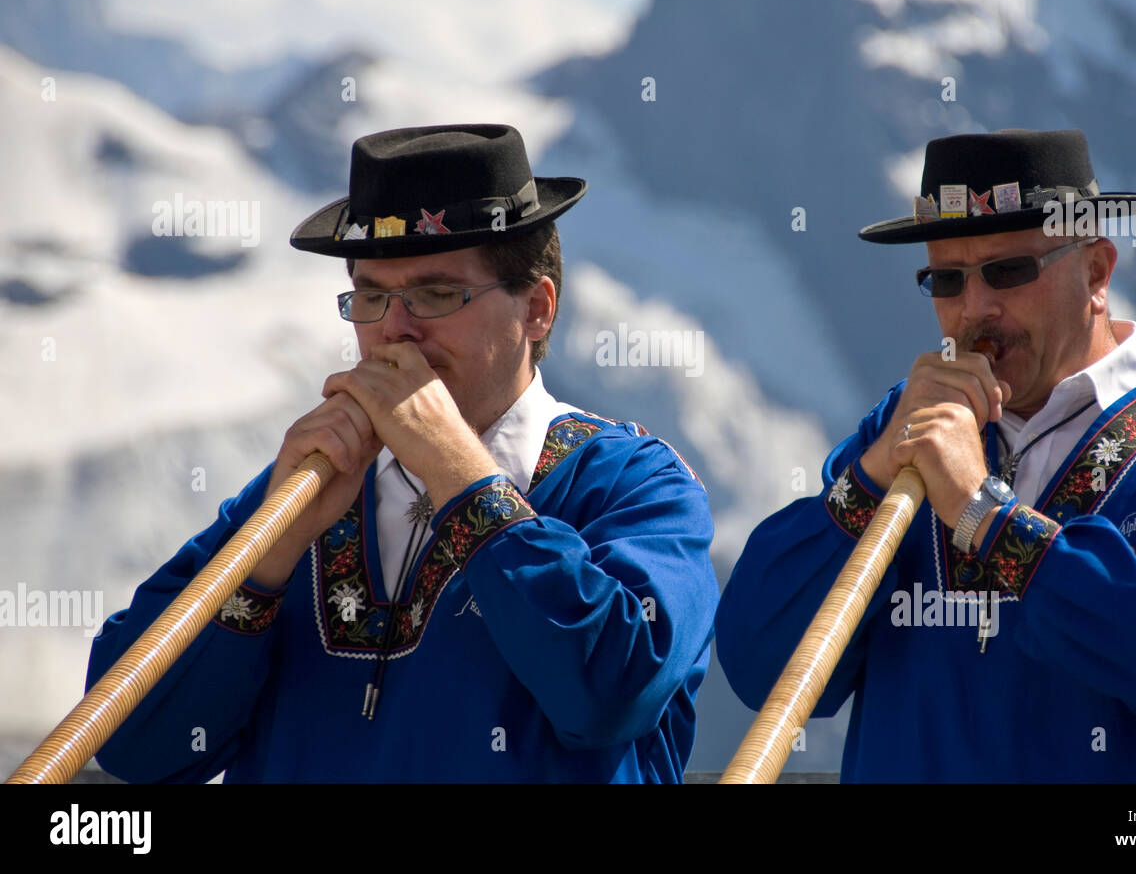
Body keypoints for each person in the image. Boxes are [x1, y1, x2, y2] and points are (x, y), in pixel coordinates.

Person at [88, 124, 718, 783]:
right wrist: (268, 561)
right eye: (370, 294)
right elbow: (129, 736)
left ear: (536, 309)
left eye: (437, 293)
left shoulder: (637, 486)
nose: (394, 326)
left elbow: (612, 691)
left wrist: (456, 469)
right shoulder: (302, 491)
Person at [715, 128, 1136, 783]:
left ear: (1097, 271)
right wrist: (870, 475)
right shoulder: (904, 431)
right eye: (946, 279)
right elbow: (757, 660)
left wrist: (983, 515)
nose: (974, 309)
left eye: (1008, 271)